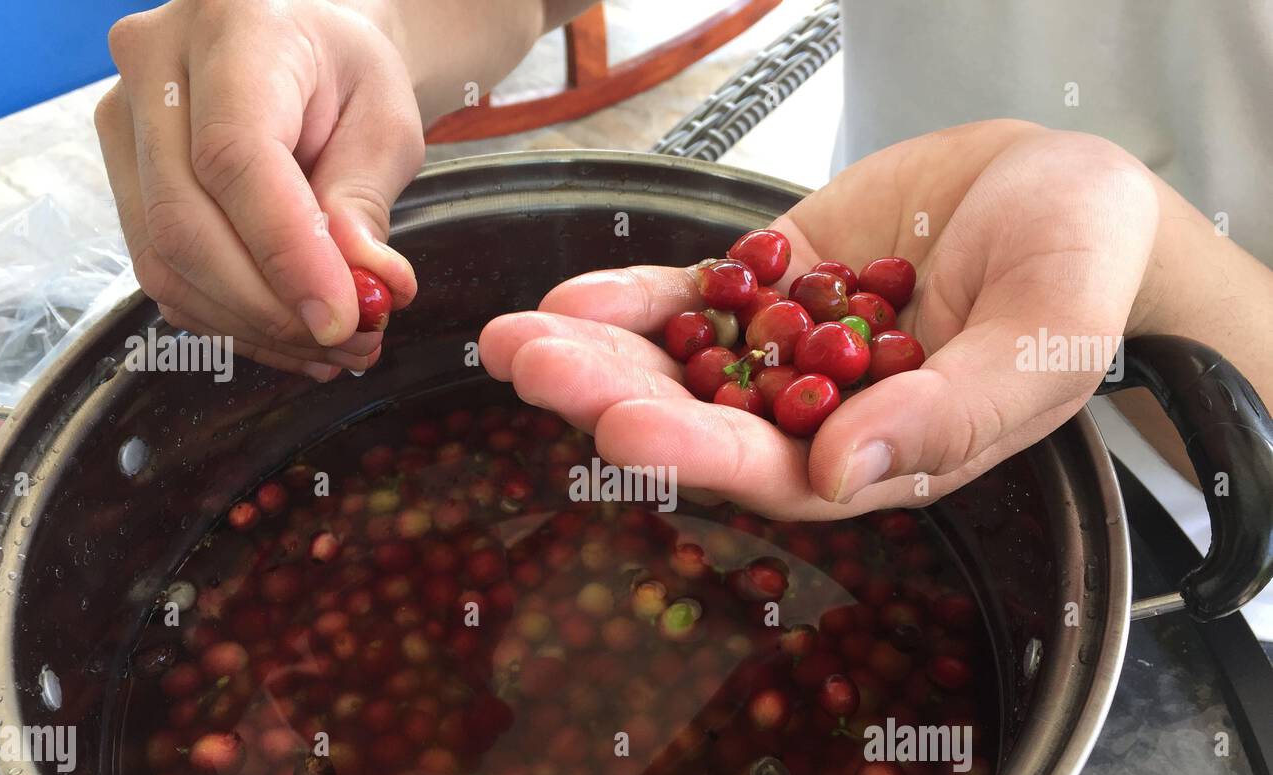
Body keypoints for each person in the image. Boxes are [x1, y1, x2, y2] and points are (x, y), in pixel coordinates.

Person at [93, 0, 1273, 523]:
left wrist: (1143, 258)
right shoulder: (789, 317)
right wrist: (361, 17)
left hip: (1212, 490)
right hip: (883, 258)